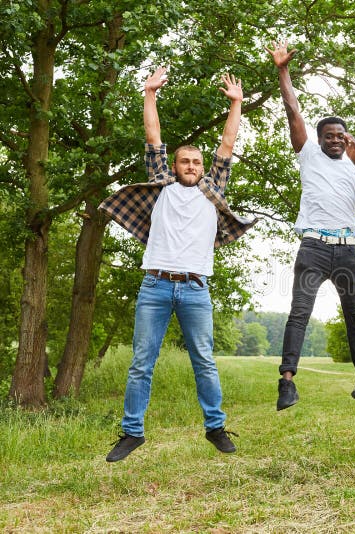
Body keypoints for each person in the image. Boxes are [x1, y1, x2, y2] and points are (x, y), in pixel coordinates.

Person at [100, 68, 256, 462]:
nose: (190, 165)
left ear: (204, 168)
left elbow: (228, 141)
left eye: (196, 161)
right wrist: (149, 93)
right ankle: (132, 432)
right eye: (184, 160)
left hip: (195, 288)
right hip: (154, 286)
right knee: (141, 363)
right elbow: (152, 136)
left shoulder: (212, 190)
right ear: (174, 165)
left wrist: (236, 103)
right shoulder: (162, 185)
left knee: (204, 360)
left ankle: (215, 428)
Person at [267, 41, 355, 413]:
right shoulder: (308, 154)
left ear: (347, 139)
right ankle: (287, 381)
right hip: (314, 249)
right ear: (319, 140)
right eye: (329, 136)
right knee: (300, 313)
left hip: (347, 251)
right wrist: (283, 71)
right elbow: (293, 113)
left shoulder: (354, 163)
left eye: (341, 136)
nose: (335, 139)